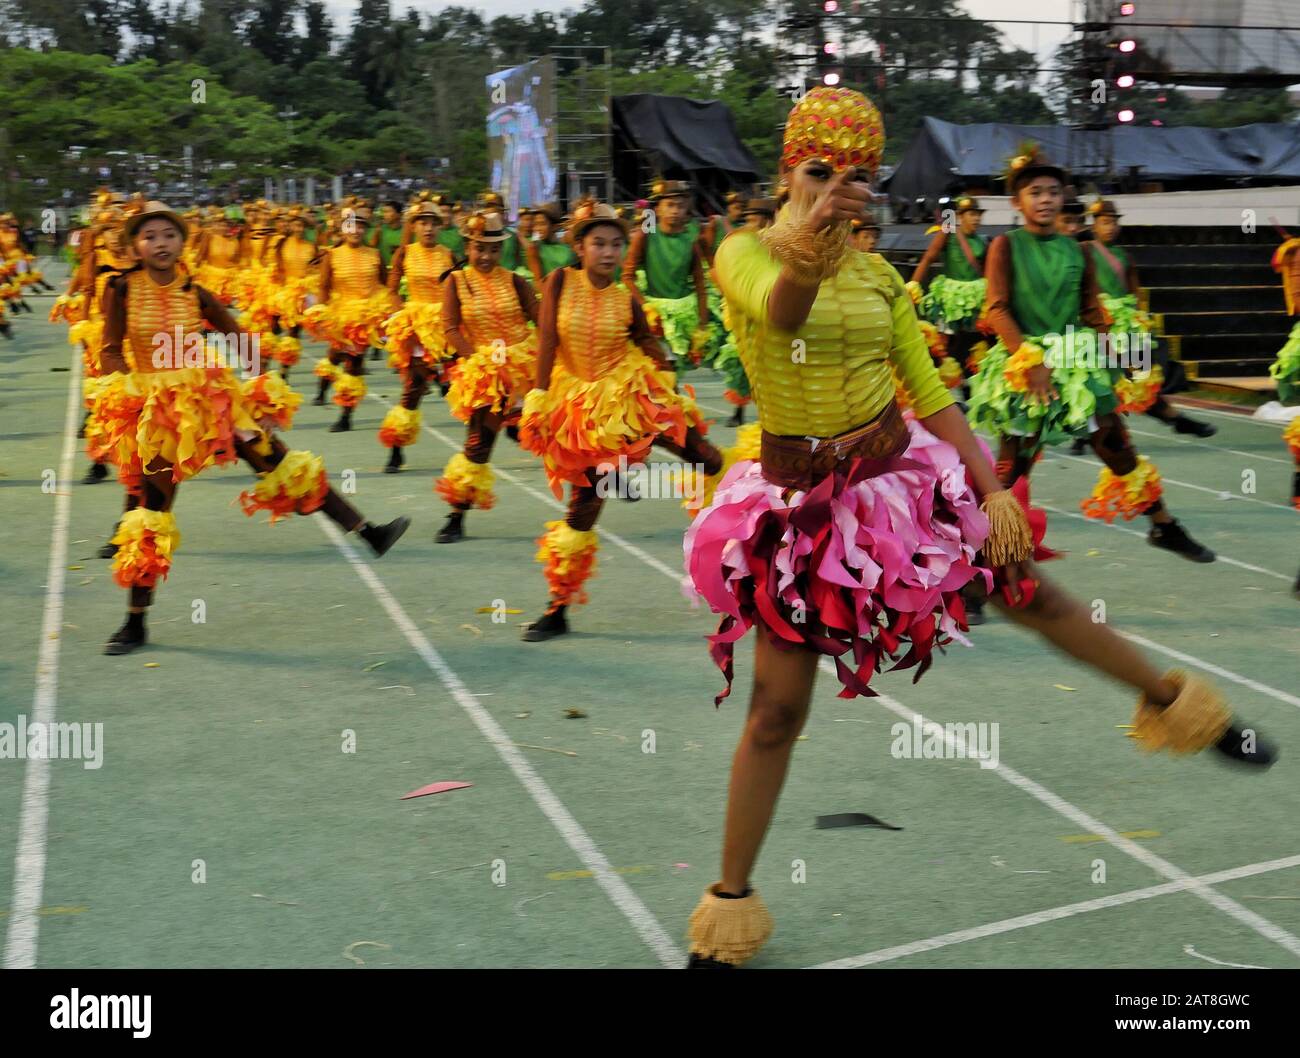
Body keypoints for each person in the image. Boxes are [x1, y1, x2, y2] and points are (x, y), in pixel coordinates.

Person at [680, 90, 1273, 971]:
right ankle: (728, 910)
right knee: (775, 711)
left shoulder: (881, 276)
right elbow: (784, 313)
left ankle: (1180, 707)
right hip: (799, 505)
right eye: (817, 172)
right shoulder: (740, 252)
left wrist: (993, 494)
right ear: (784, 174)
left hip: (896, 484)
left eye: (855, 176)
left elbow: (930, 394)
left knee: (1027, 585)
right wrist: (804, 229)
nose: (839, 189)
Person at [85, 202, 410, 656]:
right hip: (156, 413)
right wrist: (125, 386)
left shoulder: (195, 292)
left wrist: (259, 385)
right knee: (153, 511)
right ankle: (134, 621)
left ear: (181, 242)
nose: (160, 243)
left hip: (209, 397)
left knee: (283, 462)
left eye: (168, 235)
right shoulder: (119, 288)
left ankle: (368, 531)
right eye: (150, 236)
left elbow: (239, 338)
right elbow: (110, 349)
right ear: (136, 246)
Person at [967, 146, 1215, 561]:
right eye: (1035, 192)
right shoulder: (1004, 247)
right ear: (1017, 201)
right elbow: (996, 308)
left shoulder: (1079, 250)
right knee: (1013, 467)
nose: (1046, 199)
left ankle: (1164, 525)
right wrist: (1030, 360)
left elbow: (1091, 313)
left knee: (1116, 443)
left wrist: (1123, 361)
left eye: (1053, 191)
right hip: (1023, 367)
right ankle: (978, 568)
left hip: (1076, 363)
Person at [518, 201, 722, 641]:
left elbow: (644, 336)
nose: (608, 253)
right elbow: (549, 338)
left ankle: (746, 543)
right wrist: (537, 395)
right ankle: (557, 608)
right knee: (584, 508)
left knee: (704, 453)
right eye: (598, 244)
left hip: (630, 392)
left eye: (616, 244)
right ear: (579, 246)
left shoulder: (626, 292)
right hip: (580, 406)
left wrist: (664, 364)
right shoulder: (559, 281)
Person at [434, 211, 538, 543]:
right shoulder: (456, 281)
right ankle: (456, 515)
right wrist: (475, 359)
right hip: (485, 371)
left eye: (494, 249)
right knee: (478, 446)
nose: (486, 256)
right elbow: (450, 327)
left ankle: (607, 477)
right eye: (480, 248)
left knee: (561, 430)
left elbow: (540, 317)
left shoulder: (515, 280)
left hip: (526, 366)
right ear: (468, 246)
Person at [304, 204, 397, 432]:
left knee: (354, 364)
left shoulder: (374, 254)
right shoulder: (332, 255)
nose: (355, 231)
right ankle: (322, 388)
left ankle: (346, 414)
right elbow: (324, 287)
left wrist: (393, 311)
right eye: (350, 226)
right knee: (334, 356)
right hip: (340, 315)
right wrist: (320, 312)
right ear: (342, 229)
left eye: (359, 227)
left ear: (364, 230)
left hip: (367, 318)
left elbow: (386, 284)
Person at [379, 200, 455, 473]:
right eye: (423, 223)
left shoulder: (448, 254)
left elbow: (459, 291)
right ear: (414, 226)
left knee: (471, 386)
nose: (429, 228)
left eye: (434, 223)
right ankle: (396, 449)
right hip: (417, 328)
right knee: (412, 388)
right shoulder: (404, 253)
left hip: (446, 328)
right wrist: (401, 316)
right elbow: (391, 291)